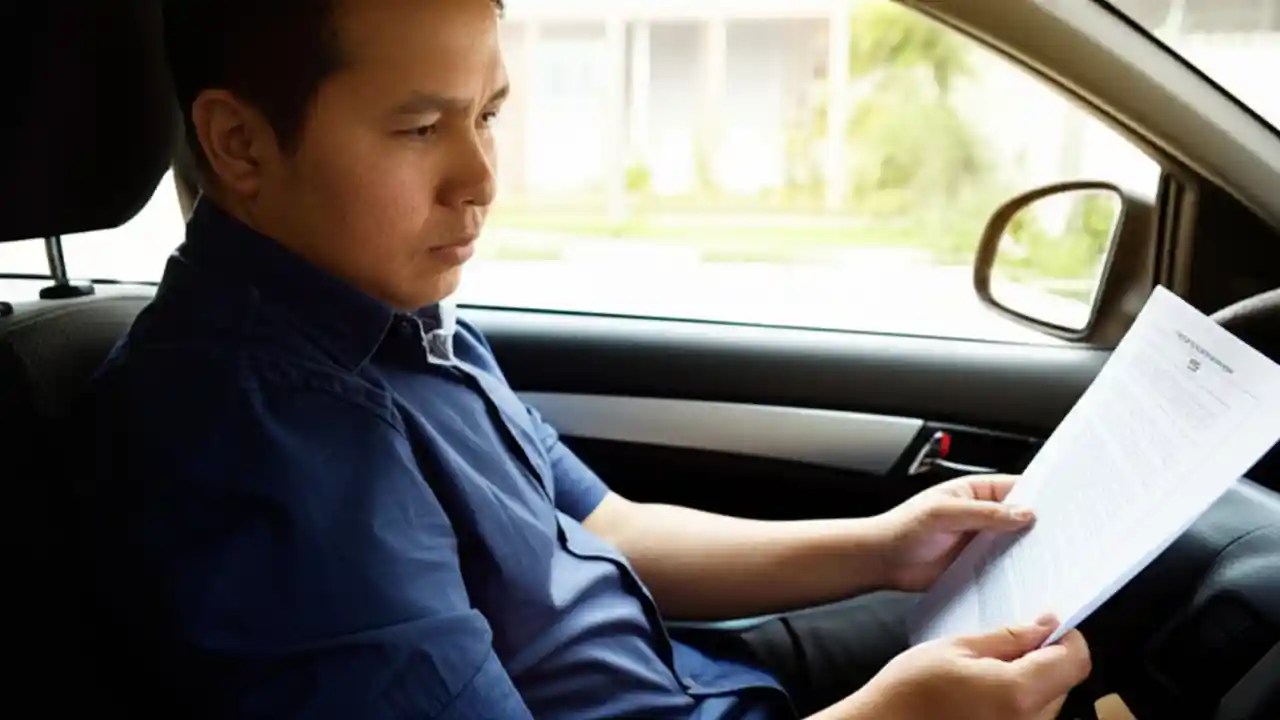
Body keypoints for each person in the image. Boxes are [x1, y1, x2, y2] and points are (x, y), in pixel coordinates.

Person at [86, 0, 1091, 717]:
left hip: (689, 674)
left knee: (1088, 606)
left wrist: (881, 546)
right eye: (421, 127)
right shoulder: (261, 440)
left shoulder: (392, 314)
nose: (481, 178)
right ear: (241, 145)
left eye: (487, 114)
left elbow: (610, 530)